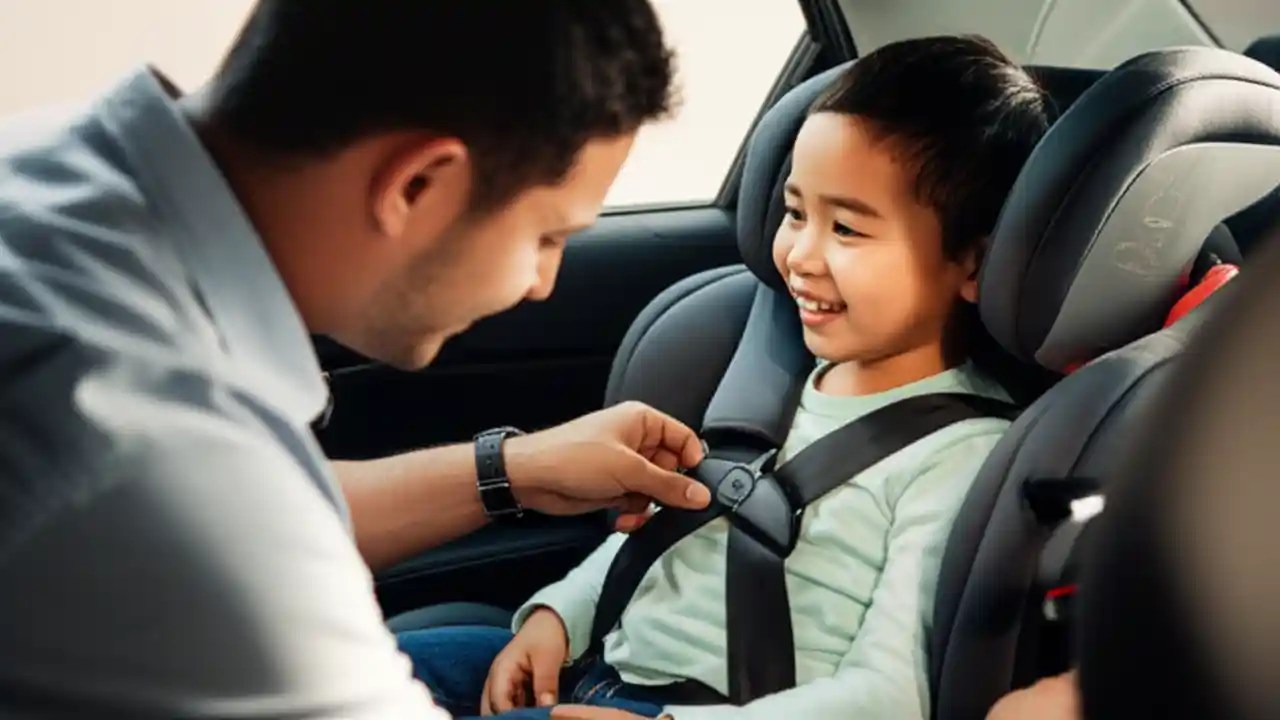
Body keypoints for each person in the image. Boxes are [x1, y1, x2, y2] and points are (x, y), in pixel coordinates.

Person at [0, 3, 714, 718]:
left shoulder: (48, 171)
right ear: (417, 186)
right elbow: (219, 518)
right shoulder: (158, 468)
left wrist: (512, 470)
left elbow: (261, 507)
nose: (542, 283)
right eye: (546, 237)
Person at [397, 35, 1052, 720]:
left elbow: (889, 696)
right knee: (390, 666)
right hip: (599, 668)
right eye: (795, 213)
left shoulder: (958, 454)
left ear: (973, 264)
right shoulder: (771, 378)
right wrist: (556, 617)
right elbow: (664, 542)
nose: (799, 255)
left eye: (847, 230)